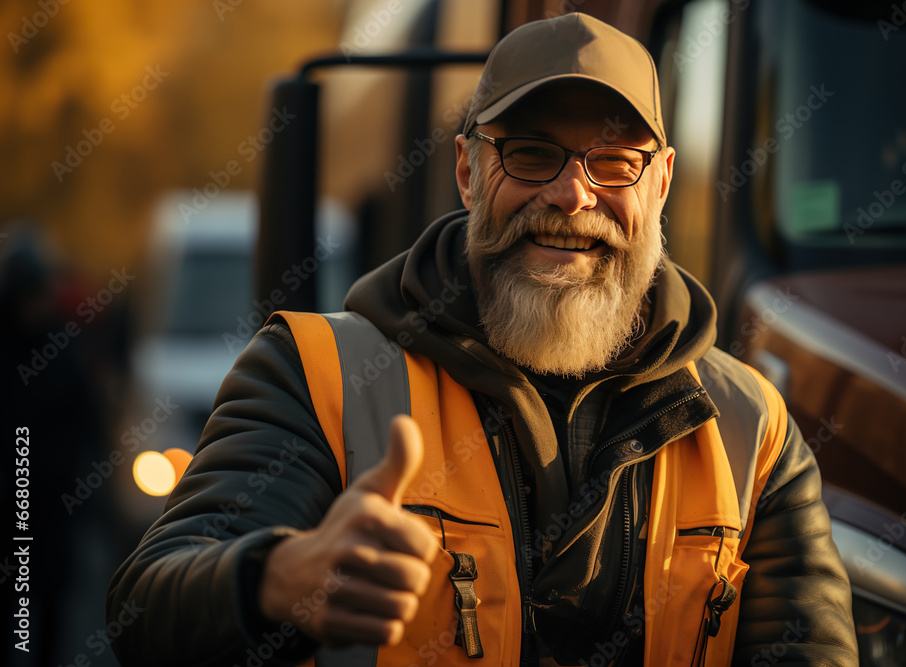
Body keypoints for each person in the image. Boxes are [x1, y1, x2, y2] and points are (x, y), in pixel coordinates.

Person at [108, 12, 859, 666]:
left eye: (614, 162)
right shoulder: (315, 375)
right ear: (468, 172)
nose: (573, 194)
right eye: (531, 153)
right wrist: (277, 580)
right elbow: (145, 611)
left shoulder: (753, 429)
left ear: (659, 185)